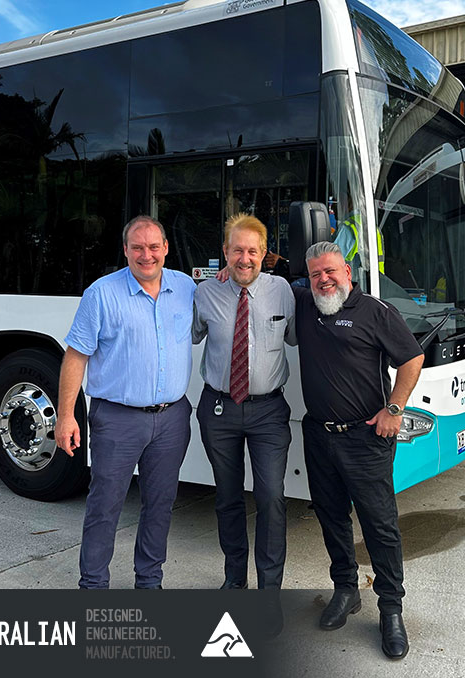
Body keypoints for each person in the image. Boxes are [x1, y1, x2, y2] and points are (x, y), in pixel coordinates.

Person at [296, 241, 424, 660]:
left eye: (330, 271)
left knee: (379, 525)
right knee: (331, 517)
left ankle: (391, 609)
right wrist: (228, 271)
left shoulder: (374, 311)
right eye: (316, 274)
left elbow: (412, 358)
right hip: (319, 436)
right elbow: (258, 277)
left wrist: (394, 409)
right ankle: (346, 590)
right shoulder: (305, 303)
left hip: (365, 439)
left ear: (347, 272)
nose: (324, 280)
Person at [56, 215, 197, 590]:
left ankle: (149, 581)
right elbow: (76, 356)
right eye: (137, 247)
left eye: (153, 247)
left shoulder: (186, 287)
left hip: (172, 419)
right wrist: (66, 415)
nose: (146, 255)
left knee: (160, 504)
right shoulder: (101, 294)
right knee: (105, 506)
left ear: (166, 248)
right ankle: (93, 586)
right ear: (125, 250)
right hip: (117, 420)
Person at [193, 213, 296, 590]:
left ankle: (269, 591)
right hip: (218, 410)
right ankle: (234, 580)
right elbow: (188, 334)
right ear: (225, 252)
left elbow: (297, 336)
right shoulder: (205, 293)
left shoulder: (283, 290)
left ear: (264, 253)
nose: (245, 258)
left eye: (252, 251)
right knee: (227, 497)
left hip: (268, 412)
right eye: (237, 251)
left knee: (270, 497)